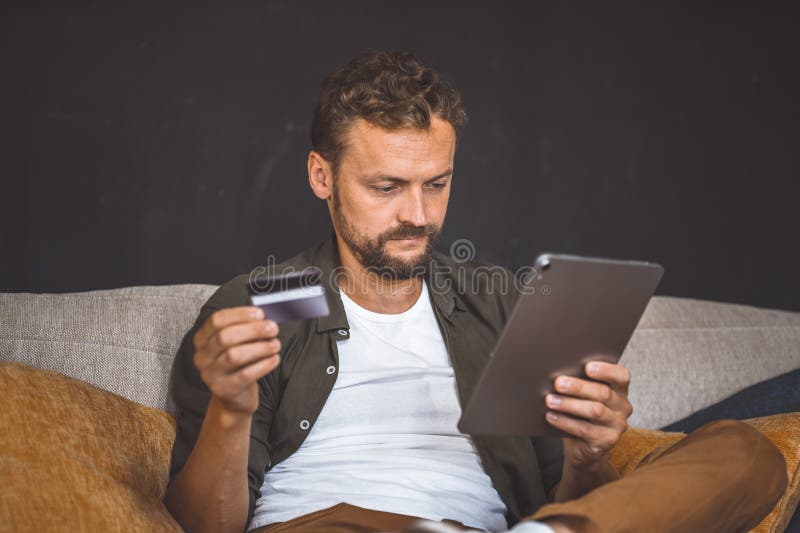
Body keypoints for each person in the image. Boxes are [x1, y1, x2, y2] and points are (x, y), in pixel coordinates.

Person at [164, 50, 787, 533]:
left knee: (747, 455)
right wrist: (231, 411)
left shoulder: (496, 301)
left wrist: (587, 458)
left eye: (436, 184)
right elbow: (200, 525)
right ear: (321, 176)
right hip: (332, 525)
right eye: (386, 187)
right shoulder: (268, 300)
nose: (418, 215)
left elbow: (568, 496)